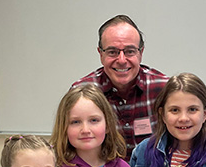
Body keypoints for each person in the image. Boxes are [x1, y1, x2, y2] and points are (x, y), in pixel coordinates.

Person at [71, 14, 168, 158]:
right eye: (112, 52)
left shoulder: (164, 89)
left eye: (129, 51)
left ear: (140, 52)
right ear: (100, 54)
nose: (122, 60)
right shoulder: (82, 93)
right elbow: (69, 149)